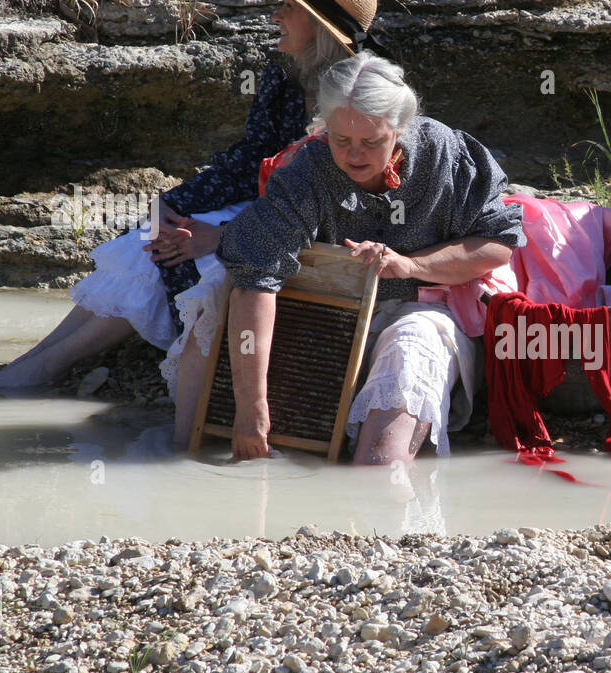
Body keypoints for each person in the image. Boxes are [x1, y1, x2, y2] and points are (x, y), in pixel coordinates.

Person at [0, 0, 378, 392]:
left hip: (300, 230)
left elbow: (337, 203)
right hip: (265, 206)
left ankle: (46, 368)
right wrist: (171, 202)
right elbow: (249, 161)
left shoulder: (360, 96)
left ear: (318, 25)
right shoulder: (283, 74)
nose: (275, 15)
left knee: (162, 253)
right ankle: (33, 360)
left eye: (288, 8)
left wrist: (224, 236)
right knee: (150, 234)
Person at [210, 51, 525, 464]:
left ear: (399, 127)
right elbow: (256, 277)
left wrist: (412, 265)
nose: (354, 154)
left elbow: (497, 242)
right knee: (208, 302)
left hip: (425, 307)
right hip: (329, 317)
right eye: (341, 140)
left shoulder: (443, 156)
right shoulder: (308, 171)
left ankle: (379, 499)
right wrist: (250, 410)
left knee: (409, 352)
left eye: (371, 141)